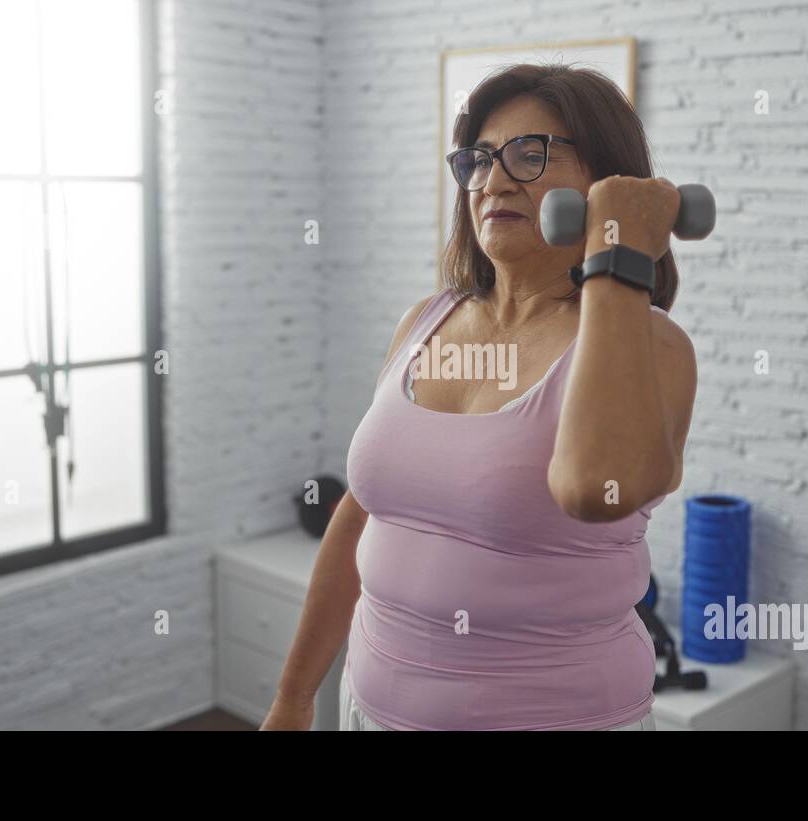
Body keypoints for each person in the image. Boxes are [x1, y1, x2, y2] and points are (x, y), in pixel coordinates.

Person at [261, 64, 697, 731]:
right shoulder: (425, 320)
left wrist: (619, 253)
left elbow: (593, 485)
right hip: (370, 708)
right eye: (480, 160)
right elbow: (361, 513)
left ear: (608, 184)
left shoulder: (654, 348)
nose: (493, 181)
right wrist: (293, 697)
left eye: (531, 154)